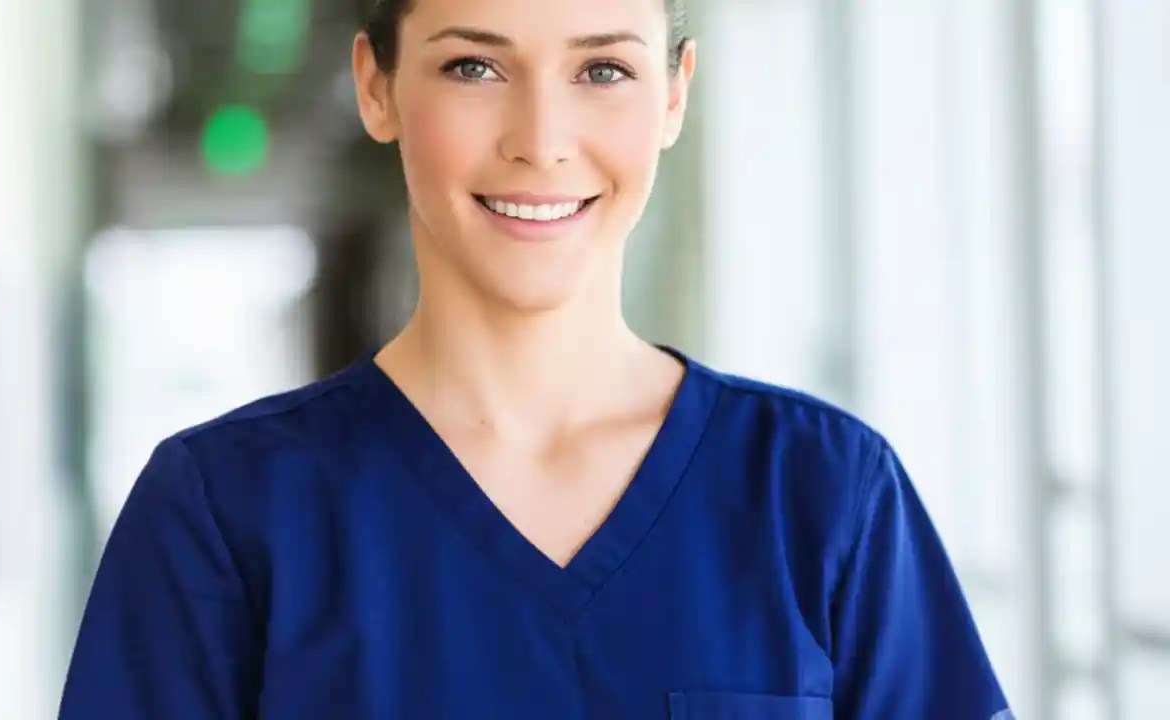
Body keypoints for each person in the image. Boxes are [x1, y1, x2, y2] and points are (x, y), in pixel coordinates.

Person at [58, 0, 1015, 718]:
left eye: (602, 72)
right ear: (377, 86)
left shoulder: (822, 493)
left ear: (676, 93)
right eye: (475, 68)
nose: (542, 143)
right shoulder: (226, 511)